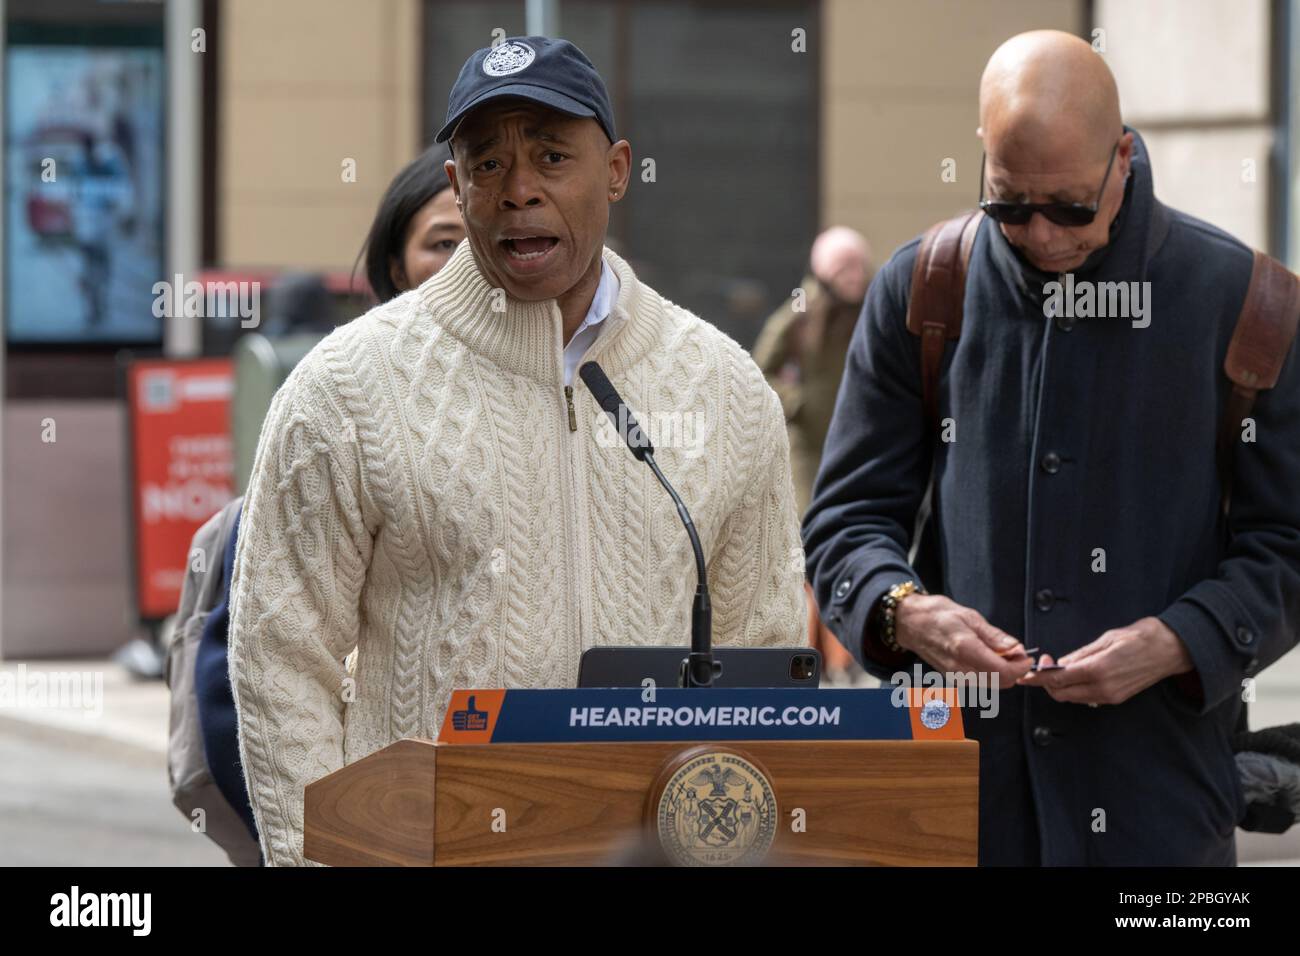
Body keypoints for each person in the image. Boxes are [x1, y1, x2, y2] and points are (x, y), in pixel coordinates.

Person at [229, 35, 805, 866]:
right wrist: (322, 857)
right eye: (488, 165)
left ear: (615, 171)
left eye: (550, 156)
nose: (521, 190)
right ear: (457, 185)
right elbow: (281, 659)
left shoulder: (725, 386)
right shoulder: (345, 388)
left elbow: (765, 654)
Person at [803, 30, 1300, 865]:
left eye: (1070, 206)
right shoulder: (923, 291)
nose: (1039, 234)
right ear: (982, 161)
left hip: (1160, 809)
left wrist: (1180, 641)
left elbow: (1288, 543)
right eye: (1009, 205)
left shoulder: (1251, 305)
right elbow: (846, 521)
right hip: (958, 802)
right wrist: (907, 613)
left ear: (1125, 158)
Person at [753, 227, 872, 682]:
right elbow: (760, 370)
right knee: (809, 551)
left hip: (860, 443)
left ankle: (848, 654)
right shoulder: (801, 311)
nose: (854, 276)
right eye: (845, 268)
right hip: (809, 450)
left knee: (853, 541)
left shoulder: (873, 308)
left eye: (859, 266)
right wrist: (795, 403)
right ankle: (809, 654)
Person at [358, 144, 465, 302]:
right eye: (446, 244)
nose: (471, 260)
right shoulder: (365, 328)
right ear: (398, 271)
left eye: (491, 240)